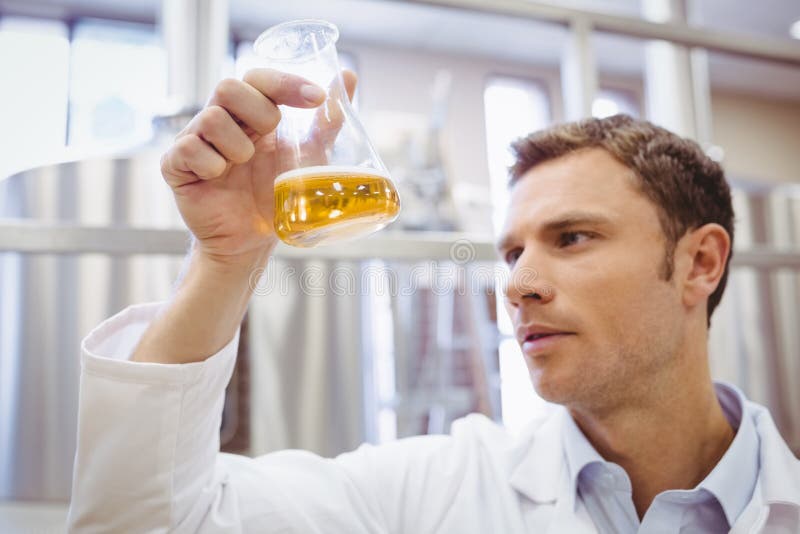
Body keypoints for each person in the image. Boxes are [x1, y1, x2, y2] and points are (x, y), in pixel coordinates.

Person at [67, 68, 799, 533]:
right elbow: (146, 526)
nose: (515, 285)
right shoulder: (430, 494)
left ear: (700, 263)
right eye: (511, 253)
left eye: (572, 238)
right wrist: (224, 261)